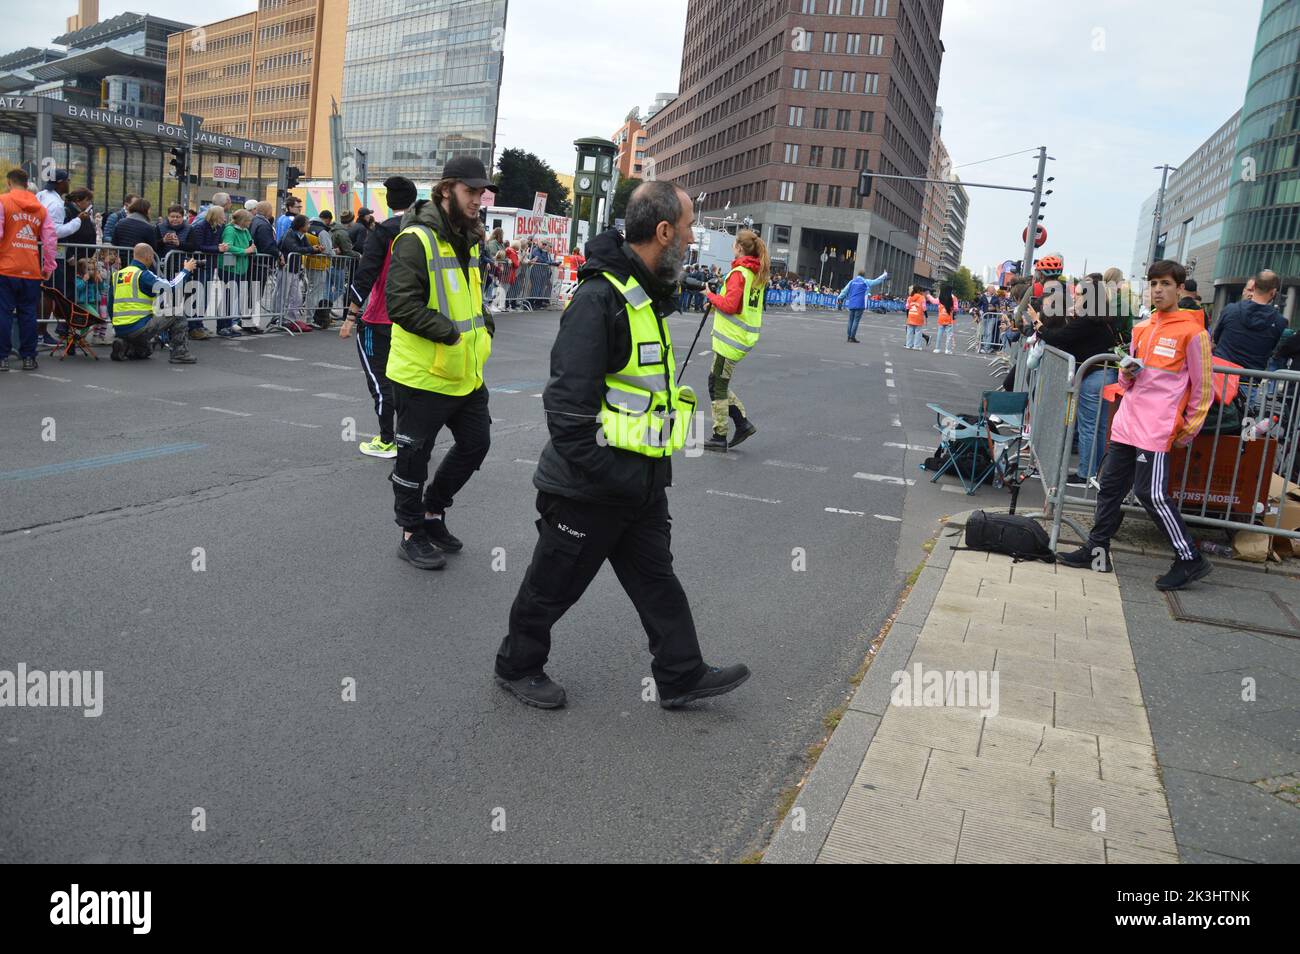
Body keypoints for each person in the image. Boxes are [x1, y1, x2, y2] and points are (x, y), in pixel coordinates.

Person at [494, 180, 750, 710]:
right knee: (552, 586)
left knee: (657, 582)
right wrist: (609, 475)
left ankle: (680, 673)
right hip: (591, 485)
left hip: (639, 482)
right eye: (687, 228)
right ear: (663, 231)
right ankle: (517, 665)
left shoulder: (639, 294)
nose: (691, 239)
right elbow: (567, 411)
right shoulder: (598, 299)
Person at [1058, 260, 1213, 590]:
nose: (1158, 289)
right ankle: (1096, 549)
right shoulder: (1142, 328)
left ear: (1179, 288)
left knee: (1151, 493)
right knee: (1110, 487)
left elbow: (1203, 389)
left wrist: (1189, 429)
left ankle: (1189, 558)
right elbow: (1131, 381)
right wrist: (1127, 376)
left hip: (1158, 427)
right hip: (1128, 422)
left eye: (1166, 283)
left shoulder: (1194, 333)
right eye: (1153, 283)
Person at [384, 155, 495, 569]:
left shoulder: (465, 237)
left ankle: (432, 512)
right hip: (423, 374)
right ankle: (410, 531)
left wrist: (483, 323)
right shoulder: (417, 238)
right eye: (472, 191)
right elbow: (401, 304)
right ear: (447, 189)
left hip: (464, 372)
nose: (479, 200)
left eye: (482, 192)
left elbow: (470, 293)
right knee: (414, 457)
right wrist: (450, 332)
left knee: (476, 444)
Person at [341, 174, 418, 459]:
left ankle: (388, 440)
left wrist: (350, 316)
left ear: (388, 201)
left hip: (379, 318)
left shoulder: (384, 231)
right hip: (413, 319)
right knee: (410, 382)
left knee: (380, 381)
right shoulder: (426, 231)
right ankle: (413, 439)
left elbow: (366, 273)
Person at [1031, 279, 1121, 486]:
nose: (1075, 297)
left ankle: (1085, 473)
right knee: (1098, 428)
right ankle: (1094, 472)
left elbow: (1058, 337)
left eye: (1079, 294)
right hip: (1104, 374)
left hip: (1095, 377)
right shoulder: (1102, 319)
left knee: (1089, 427)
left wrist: (1038, 322)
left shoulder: (1088, 320)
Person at [702, 228, 768, 452]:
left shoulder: (740, 273)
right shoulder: (756, 273)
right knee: (717, 382)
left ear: (739, 248)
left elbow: (731, 305)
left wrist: (709, 295)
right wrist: (715, 301)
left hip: (729, 339)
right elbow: (737, 305)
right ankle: (742, 424)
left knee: (717, 386)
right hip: (741, 338)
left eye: (733, 244)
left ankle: (720, 434)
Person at [0, 167, 56, 371]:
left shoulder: (3, 201)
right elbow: (50, 240)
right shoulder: (41, 209)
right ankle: (29, 358)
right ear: (26, 184)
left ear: (9, 182)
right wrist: (48, 266)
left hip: (5, 267)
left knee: (3, 312)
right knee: (28, 314)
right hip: (30, 269)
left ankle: (2, 357)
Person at [108, 243, 198, 365]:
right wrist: (186, 270)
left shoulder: (117, 275)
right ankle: (180, 353)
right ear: (148, 257)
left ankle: (124, 344)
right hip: (139, 327)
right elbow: (170, 287)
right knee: (177, 313)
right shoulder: (143, 274)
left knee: (146, 351)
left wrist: (116, 325)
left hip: (120, 328)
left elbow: (110, 305)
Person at [1211, 269, 1285, 372]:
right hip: (1250, 380)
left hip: (1221, 376)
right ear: (1273, 292)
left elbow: (1217, 337)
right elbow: (1271, 349)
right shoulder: (1279, 322)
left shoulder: (1230, 310)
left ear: (1254, 286)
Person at [216, 208, 254, 337]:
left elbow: (252, 246)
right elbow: (228, 246)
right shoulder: (230, 230)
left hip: (240, 268)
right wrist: (245, 251)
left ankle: (228, 324)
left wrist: (252, 250)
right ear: (243, 220)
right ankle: (222, 326)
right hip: (229, 268)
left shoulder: (245, 231)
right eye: (248, 220)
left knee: (232, 298)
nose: (250, 223)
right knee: (227, 298)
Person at [277, 214, 314, 331]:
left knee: (297, 296)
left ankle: (291, 319)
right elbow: (295, 249)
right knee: (283, 294)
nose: (309, 226)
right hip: (286, 268)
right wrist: (312, 249)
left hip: (295, 269)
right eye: (307, 223)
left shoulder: (302, 235)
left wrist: (315, 249)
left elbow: (307, 248)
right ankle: (279, 319)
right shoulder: (290, 234)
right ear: (300, 225)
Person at [836, 268, 888, 343]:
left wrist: (839, 297)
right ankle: (852, 337)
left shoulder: (852, 282)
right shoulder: (865, 281)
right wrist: (884, 275)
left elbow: (844, 291)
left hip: (852, 302)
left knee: (850, 320)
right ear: (864, 275)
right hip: (860, 303)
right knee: (856, 320)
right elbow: (876, 281)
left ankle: (848, 336)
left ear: (858, 274)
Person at [934, 283, 957, 354]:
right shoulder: (953, 298)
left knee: (939, 334)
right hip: (949, 319)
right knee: (949, 335)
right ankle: (948, 349)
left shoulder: (940, 297)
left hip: (941, 318)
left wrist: (928, 296)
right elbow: (955, 308)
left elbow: (934, 301)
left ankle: (937, 348)